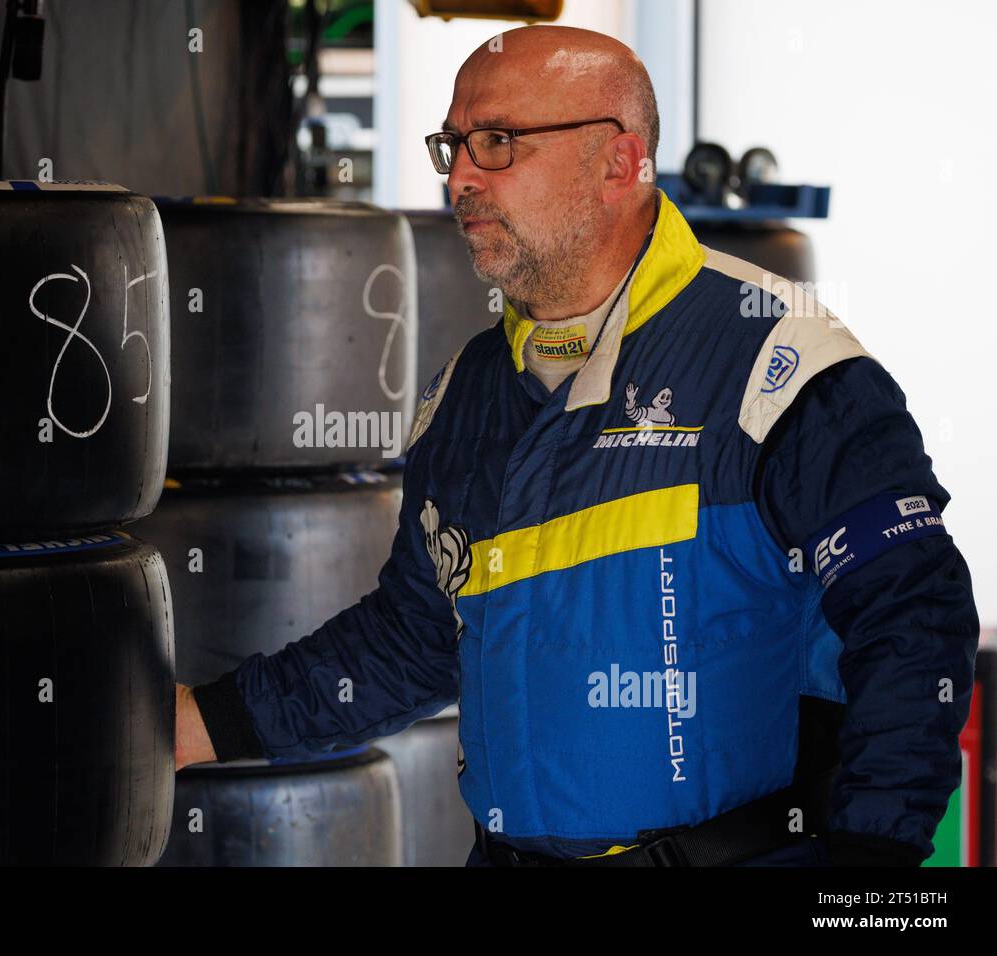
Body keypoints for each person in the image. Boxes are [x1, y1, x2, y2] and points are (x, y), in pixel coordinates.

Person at [174, 25, 979, 867]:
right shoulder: (464, 396)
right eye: (451, 146)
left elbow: (913, 615)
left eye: (497, 142)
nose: (460, 177)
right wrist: (196, 726)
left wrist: (870, 863)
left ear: (619, 163)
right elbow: (412, 641)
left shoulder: (779, 358)